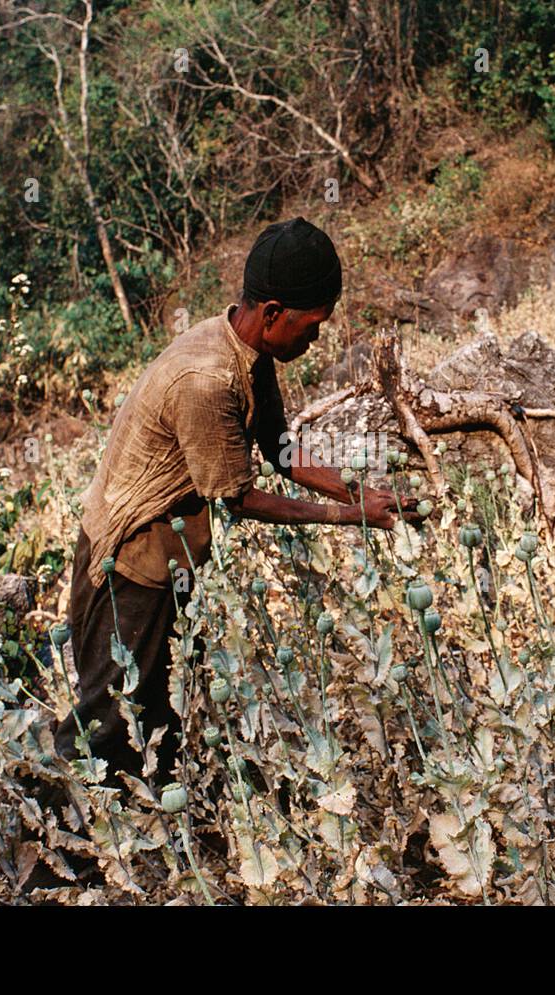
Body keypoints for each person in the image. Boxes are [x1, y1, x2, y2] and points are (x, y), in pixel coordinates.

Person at [54, 216, 424, 786]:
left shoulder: (247, 346)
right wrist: (351, 517)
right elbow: (238, 497)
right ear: (273, 312)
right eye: (313, 325)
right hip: (128, 565)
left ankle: (151, 833)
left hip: (168, 560)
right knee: (109, 723)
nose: (317, 339)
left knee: (156, 716)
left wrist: (362, 491)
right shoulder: (206, 379)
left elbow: (278, 448)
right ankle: (67, 835)